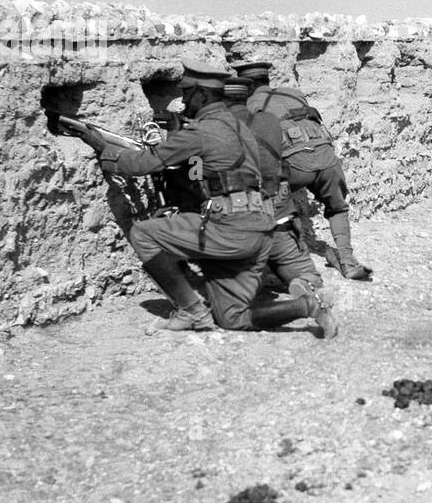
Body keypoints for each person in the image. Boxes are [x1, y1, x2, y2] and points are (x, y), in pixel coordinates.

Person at [72, 61, 329, 334]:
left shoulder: (201, 131)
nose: (182, 100)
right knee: (232, 318)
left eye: (187, 94)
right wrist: (178, 134)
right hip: (262, 228)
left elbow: (141, 165)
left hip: (231, 229)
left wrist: (103, 148)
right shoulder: (239, 127)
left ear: (202, 96)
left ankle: (191, 311)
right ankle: (307, 306)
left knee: (144, 234)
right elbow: (203, 169)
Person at [235, 61, 372, 281]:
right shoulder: (294, 94)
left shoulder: (251, 103)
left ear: (247, 86)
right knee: (337, 207)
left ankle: (294, 266)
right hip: (327, 159)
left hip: (295, 166)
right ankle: (347, 260)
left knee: (277, 208)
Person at [223, 76, 338, 336]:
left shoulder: (216, 128)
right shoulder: (269, 121)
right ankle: (306, 284)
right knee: (303, 273)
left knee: (229, 311)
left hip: (242, 224)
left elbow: (195, 176)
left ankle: (193, 306)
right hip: (280, 214)